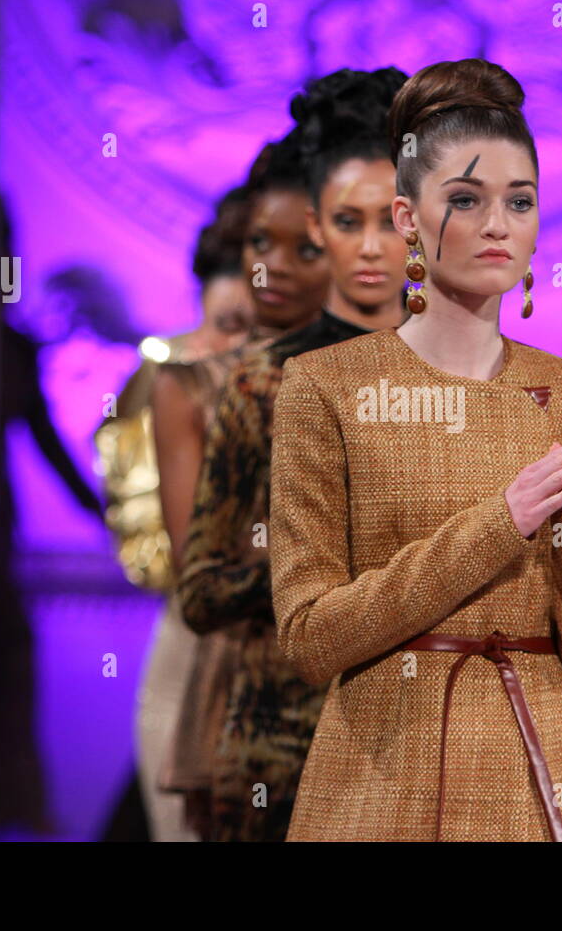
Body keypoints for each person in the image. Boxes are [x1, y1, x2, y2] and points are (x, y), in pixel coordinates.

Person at [268, 58, 562, 841]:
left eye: (520, 201)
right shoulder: (326, 388)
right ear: (408, 216)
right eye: (466, 201)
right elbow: (310, 637)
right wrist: (499, 522)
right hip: (378, 780)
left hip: (538, 778)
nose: (497, 225)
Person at [175, 66, 409, 841]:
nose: (375, 242)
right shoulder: (262, 382)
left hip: (436, 760)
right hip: (286, 760)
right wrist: (316, 565)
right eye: (349, 219)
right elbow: (202, 590)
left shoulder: (483, 376)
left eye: (395, 214)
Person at [158, 138, 332, 838]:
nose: (273, 266)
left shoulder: (380, 376)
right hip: (237, 673)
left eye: (305, 247)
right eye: (261, 241)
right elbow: (195, 575)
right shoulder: (203, 386)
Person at [95, 187, 255, 841]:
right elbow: (156, 548)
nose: (225, 349)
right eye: (218, 325)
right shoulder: (165, 382)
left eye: (248, 329)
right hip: (193, 652)